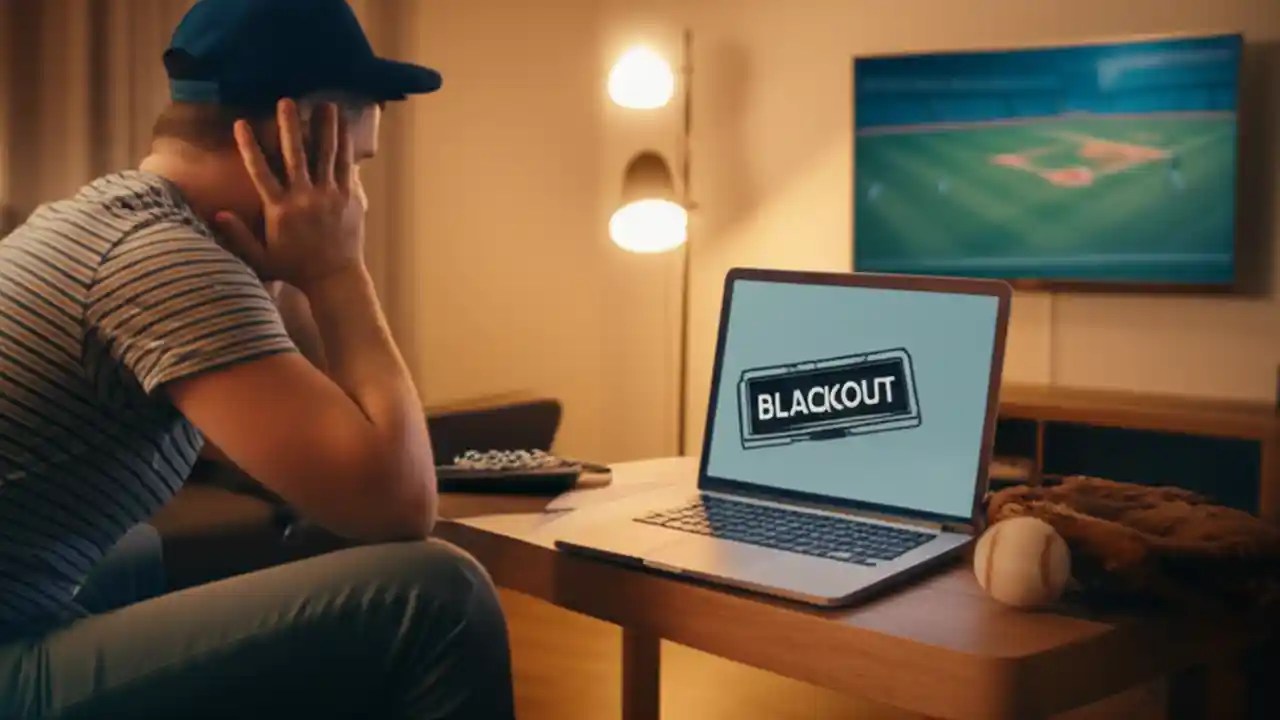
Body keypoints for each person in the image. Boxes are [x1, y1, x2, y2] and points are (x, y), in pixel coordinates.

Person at [0, 0, 515, 717]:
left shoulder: (114, 220)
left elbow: (300, 437)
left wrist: (288, 269)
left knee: (142, 553)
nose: (357, 197)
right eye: (355, 167)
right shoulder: (162, 262)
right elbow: (396, 507)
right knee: (439, 594)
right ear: (297, 135)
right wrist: (339, 274)